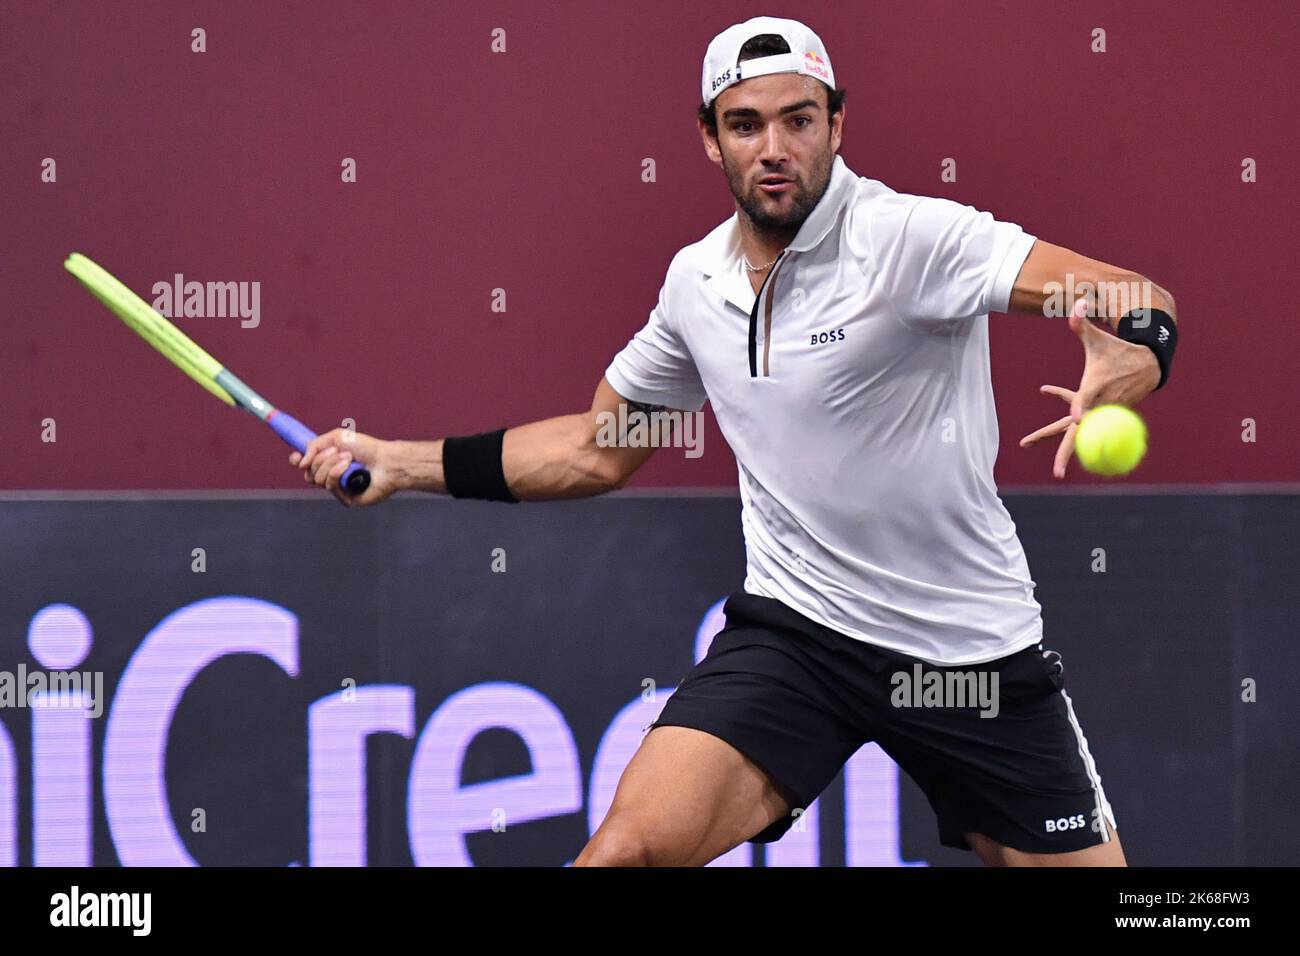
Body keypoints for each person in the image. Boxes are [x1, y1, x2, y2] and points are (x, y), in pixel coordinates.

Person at [291, 16, 1178, 867]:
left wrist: (1139, 348)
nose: (774, 148)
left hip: (966, 656)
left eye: (798, 120)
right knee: (626, 852)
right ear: (711, 140)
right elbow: (598, 451)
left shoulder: (913, 240)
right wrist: (401, 463)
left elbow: (1128, 295)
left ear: (836, 123)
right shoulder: (696, 283)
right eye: (745, 125)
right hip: (799, 641)